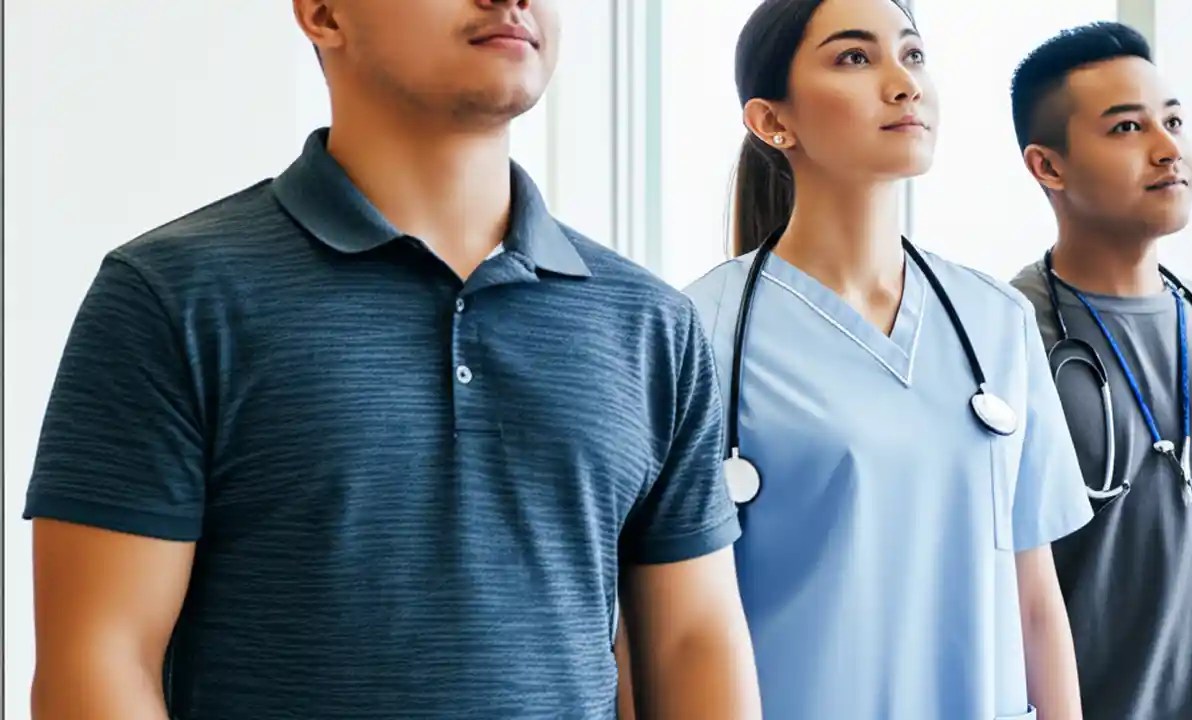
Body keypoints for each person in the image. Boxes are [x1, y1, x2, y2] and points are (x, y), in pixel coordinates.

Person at [24, 1, 761, 718]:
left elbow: (691, 645)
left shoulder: (649, 324)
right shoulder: (173, 296)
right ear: (323, 13)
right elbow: (98, 664)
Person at [677, 0, 1094, 717]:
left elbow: (1034, 603)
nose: (904, 84)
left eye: (913, 55)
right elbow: (667, 622)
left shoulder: (995, 320)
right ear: (772, 121)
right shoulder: (698, 333)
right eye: (854, 57)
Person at [1008, 22, 1192, 720]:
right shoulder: (1003, 337)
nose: (1167, 148)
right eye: (1127, 128)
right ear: (1048, 167)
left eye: (1174, 121)